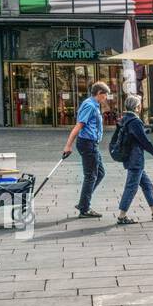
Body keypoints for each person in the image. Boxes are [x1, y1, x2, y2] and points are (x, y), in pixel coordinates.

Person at [113, 94, 153, 225]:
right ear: (137, 107)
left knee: (147, 184)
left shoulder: (125, 119)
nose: (140, 107)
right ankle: (122, 216)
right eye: (140, 105)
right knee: (131, 187)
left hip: (130, 158)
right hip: (135, 159)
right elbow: (143, 140)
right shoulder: (135, 121)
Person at [62, 81, 112, 218]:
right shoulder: (90, 106)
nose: (106, 98)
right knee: (91, 176)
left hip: (91, 144)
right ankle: (84, 208)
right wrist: (68, 145)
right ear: (100, 94)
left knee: (100, 173)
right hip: (87, 144)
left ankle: (83, 202)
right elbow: (78, 126)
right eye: (106, 95)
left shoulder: (93, 104)